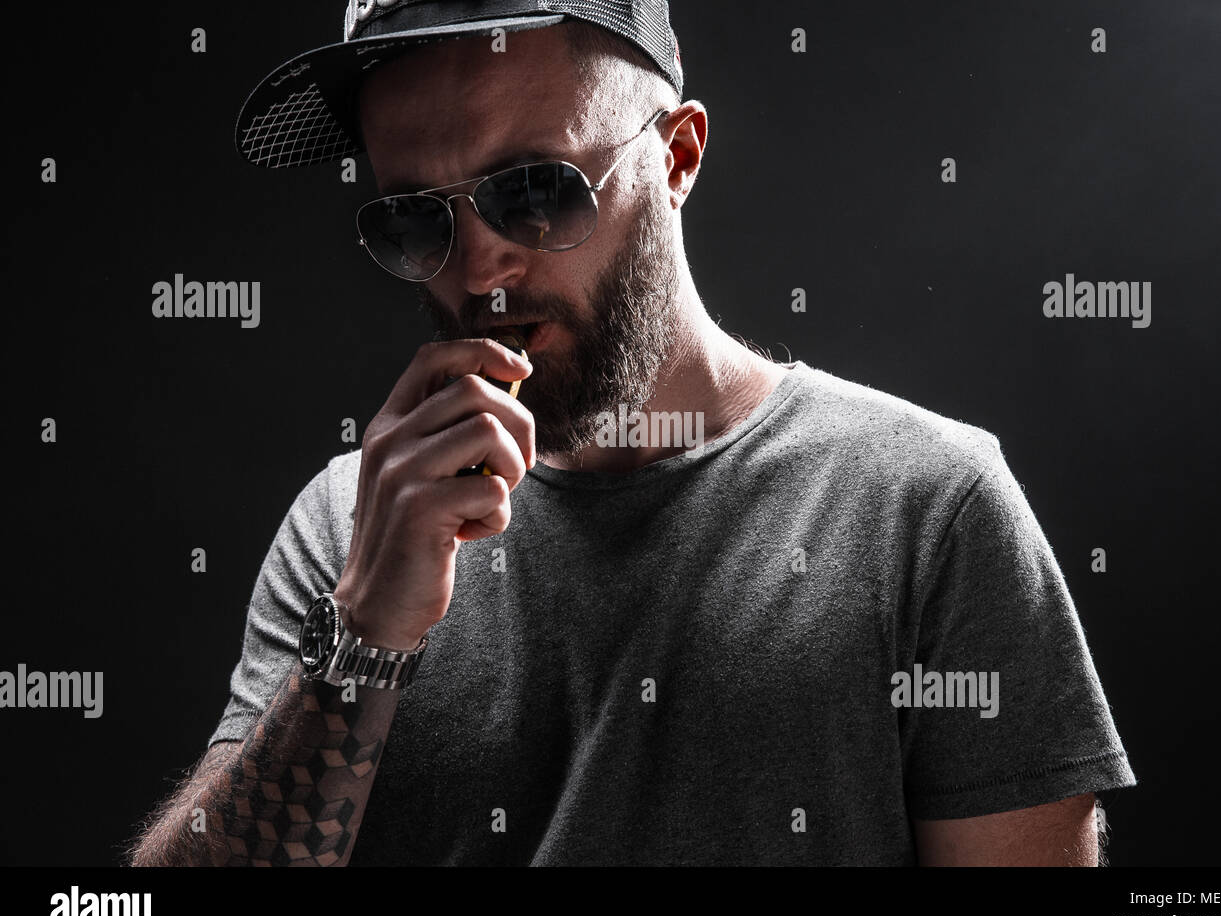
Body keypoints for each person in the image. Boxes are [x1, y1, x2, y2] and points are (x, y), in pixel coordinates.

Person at [127, 1, 1135, 866]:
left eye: (531, 190)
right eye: (412, 219)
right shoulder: (349, 527)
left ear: (678, 155)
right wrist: (360, 641)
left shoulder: (926, 509)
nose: (479, 271)